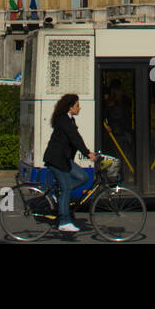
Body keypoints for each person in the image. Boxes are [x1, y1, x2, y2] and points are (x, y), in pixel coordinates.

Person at [43, 93, 95, 233]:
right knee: (67, 188)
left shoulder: (69, 120)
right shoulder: (64, 120)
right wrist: (88, 153)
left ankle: (60, 196)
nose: (80, 107)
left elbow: (75, 138)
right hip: (56, 160)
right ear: (70, 107)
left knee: (83, 177)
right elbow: (75, 138)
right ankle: (64, 221)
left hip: (64, 159)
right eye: (77, 105)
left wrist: (88, 152)